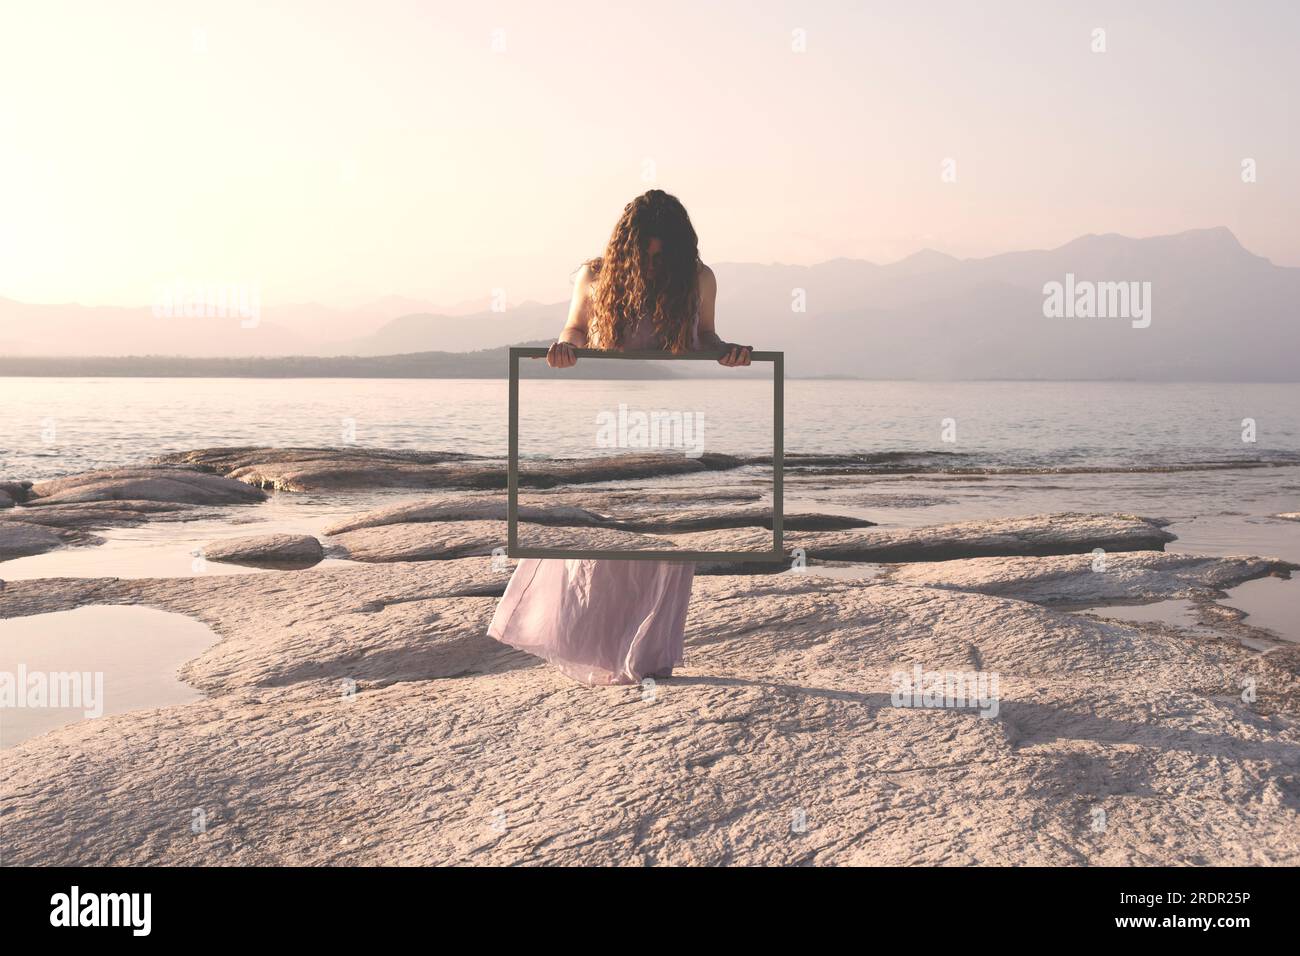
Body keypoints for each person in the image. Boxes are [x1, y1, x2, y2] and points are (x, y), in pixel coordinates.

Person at [487, 189, 752, 685]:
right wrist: (565, 348)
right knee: (597, 556)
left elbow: (706, 337)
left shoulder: (697, 278)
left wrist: (726, 351)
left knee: (662, 555)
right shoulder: (595, 275)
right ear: (628, 244)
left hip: (670, 430)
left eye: (662, 253)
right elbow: (575, 329)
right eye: (645, 252)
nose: (653, 262)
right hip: (605, 427)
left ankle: (645, 663)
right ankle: (602, 660)